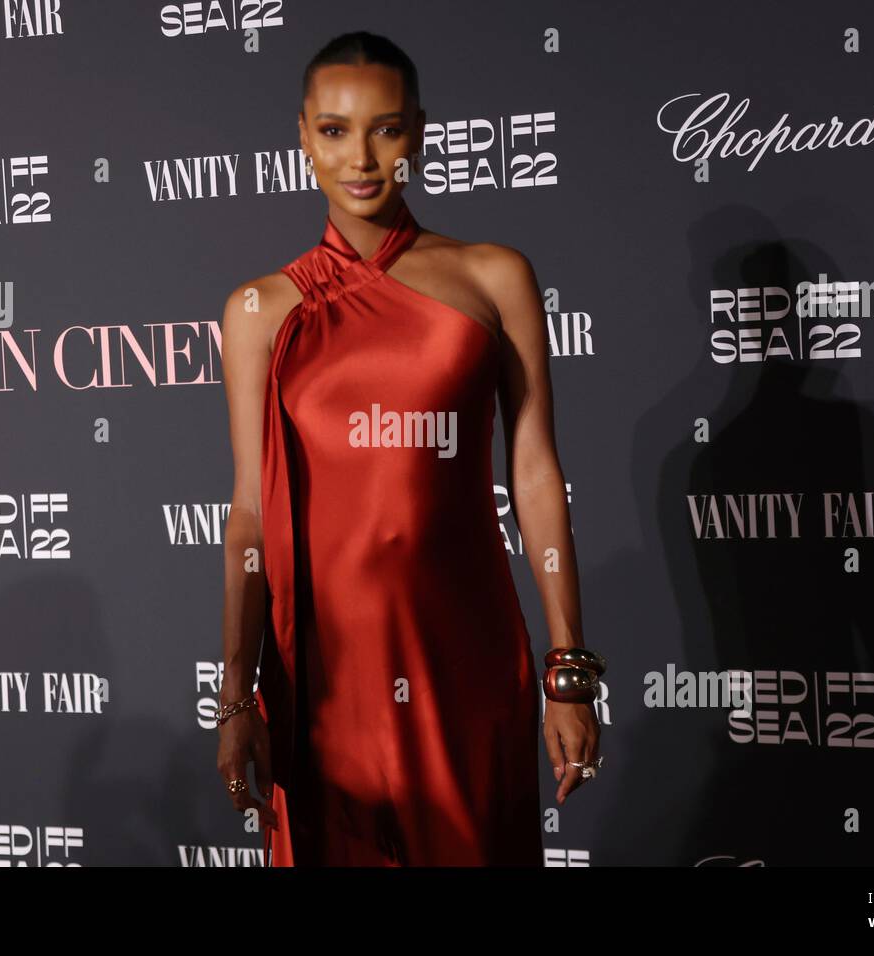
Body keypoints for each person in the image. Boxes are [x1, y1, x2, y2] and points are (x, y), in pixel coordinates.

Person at [215, 30, 601, 866]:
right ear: (303, 134)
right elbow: (250, 511)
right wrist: (236, 696)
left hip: (462, 664)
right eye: (335, 130)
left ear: (420, 132)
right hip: (323, 680)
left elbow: (534, 474)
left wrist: (565, 669)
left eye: (386, 130)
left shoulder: (494, 277)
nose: (361, 157)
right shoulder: (259, 311)